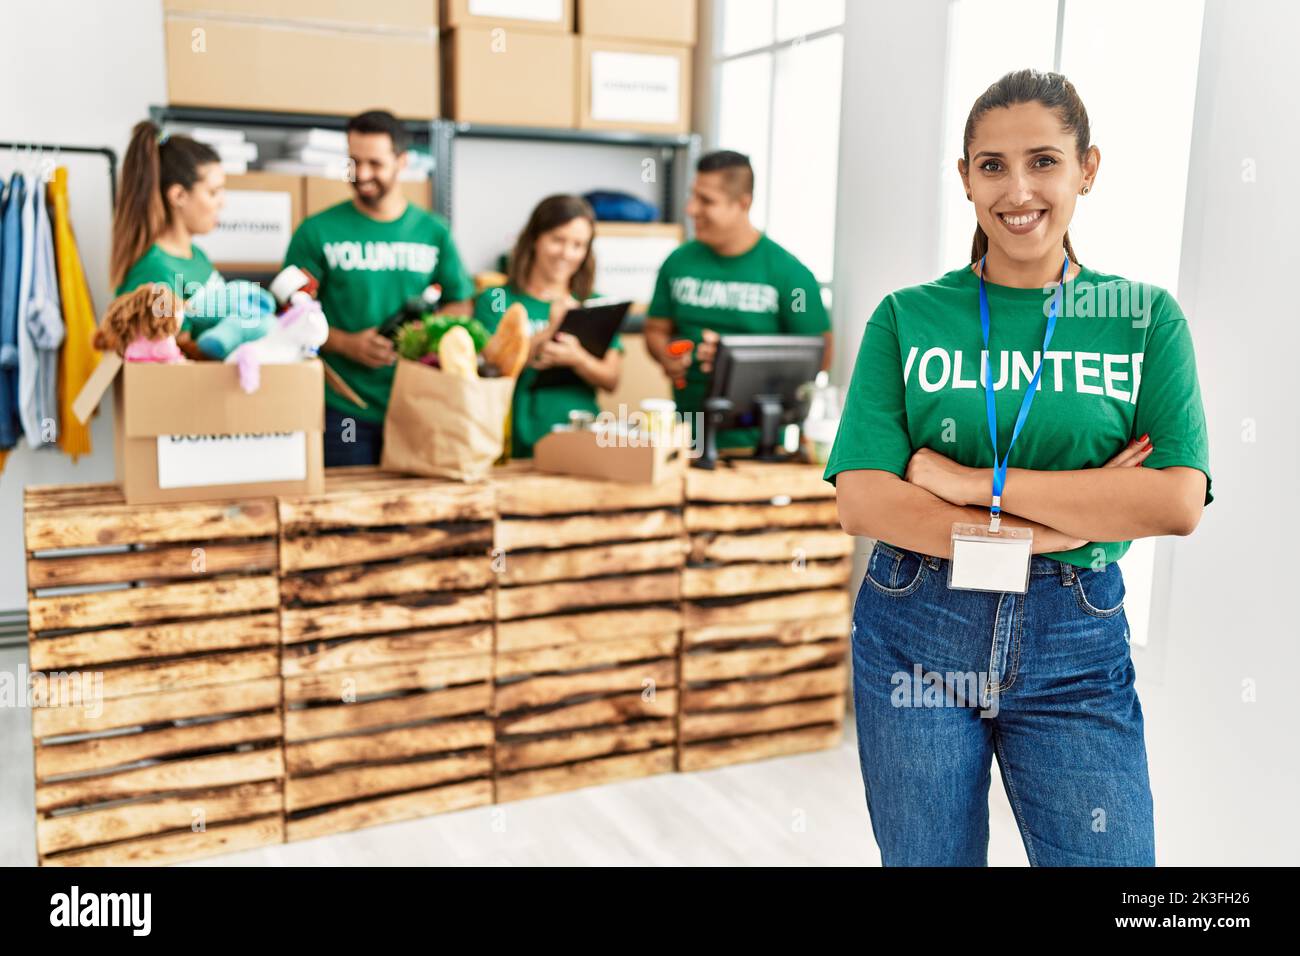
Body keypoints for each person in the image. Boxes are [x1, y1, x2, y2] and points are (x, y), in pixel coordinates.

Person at [827, 69, 1214, 866]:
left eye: (1044, 161)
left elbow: (1176, 501)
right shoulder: (907, 316)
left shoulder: (1143, 319)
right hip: (916, 629)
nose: (1018, 189)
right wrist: (1074, 513)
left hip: (1076, 641)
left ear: (1087, 169)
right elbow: (865, 500)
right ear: (965, 178)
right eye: (992, 166)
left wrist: (977, 487)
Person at [283, 109, 474, 466]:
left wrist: (421, 337)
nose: (363, 174)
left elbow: (459, 304)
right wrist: (346, 343)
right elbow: (286, 314)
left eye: (375, 163)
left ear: (402, 162)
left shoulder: (433, 232)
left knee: (414, 513)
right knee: (348, 512)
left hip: (419, 403)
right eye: (354, 163)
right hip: (342, 407)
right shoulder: (316, 231)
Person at [643, 150, 832, 451]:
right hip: (684, 439)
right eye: (693, 196)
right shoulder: (677, 262)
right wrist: (666, 355)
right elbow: (655, 330)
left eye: (707, 201)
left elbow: (818, 356)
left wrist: (730, 361)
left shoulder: (791, 276)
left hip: (758, 445)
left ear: (743, 203)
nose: (691, 209)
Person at [474, 194, 621, 458]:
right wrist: (549, 333)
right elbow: (490, 367)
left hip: (580, 438)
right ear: (535, 239)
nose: (567, 253)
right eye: (558, 240)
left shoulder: (595, 304)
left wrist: (579, 359)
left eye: (578, 245)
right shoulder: (496, 299)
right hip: (513, 438)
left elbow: (611, 380)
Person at [110, 120, 226, 358]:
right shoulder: (155, 273)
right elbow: (177, 357)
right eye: (213, 192)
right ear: (179, 196)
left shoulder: (197, 255)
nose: (222, 203)